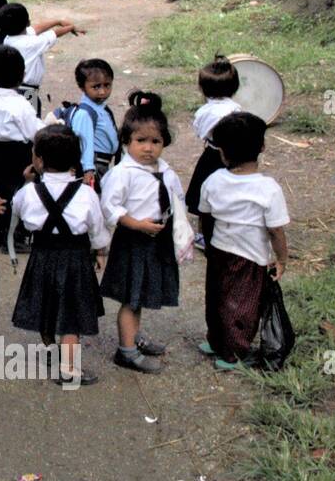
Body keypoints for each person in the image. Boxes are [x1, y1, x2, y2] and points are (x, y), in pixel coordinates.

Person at [10, 125, 111, 387]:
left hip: (42, 256)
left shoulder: (29, 192)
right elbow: (97, 228)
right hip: (75, 259)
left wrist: (27, 182)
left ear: (39, 160)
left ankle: (52, 352)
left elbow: (17, 209)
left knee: (45, 306)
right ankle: (68, 369)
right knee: (72, 315)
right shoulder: (87, 194)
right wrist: (100, 250)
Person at [99, 92, 185, 374]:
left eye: (155, 141)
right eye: (141, 141)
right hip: (133, 240)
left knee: (142, 292)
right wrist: (137, 224)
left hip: (156, 240)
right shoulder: (123, 174)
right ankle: (126, 351)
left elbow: (176, 200)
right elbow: (110, 208)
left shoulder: (164, 171)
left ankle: (135, 337)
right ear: (126, 141)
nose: (148, 148)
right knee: (131, 297)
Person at [198, 112, 289, 370]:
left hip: (218, 249)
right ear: (262, 147)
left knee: (216, 297)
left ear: (223, 152)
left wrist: (208, 242)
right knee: (243, 307)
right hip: (250, 257)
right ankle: (233, 354)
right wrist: (282, 258)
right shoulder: (268, 188)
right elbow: (276, 231)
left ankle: (215, 341)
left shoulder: (213, 180)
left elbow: (205, 216)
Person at [0, 45, 43, 253]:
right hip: (20, 153)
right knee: (22, 192)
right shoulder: (21, 105)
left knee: (2, 192)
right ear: (22, 74)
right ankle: (16, 237)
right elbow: (33, 131)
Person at [185, 55, 243, 249]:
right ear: (235, 87)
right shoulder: (237, 109)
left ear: (203, 88)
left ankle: (204, 235)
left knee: (204, 192)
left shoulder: (204, 111)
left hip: (211, 155)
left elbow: (200, 132)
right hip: (234, 156)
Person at [0, 2, 79, 114]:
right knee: (33, 122)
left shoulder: (8, 38)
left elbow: (35, 29)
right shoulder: (32, 43)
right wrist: (71, 27)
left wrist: (58, 21)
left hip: (13, 89)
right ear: (28, 22)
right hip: (27, 92)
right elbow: (54, 34)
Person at [69, 58, 121, 189]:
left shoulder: (102, 108)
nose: (102, 91)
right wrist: (88, 169)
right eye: (96, 87)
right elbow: (84, 142)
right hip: (94, 167)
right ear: (82, 87)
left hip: (103, 164)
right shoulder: (85, 113)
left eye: (107, 85)